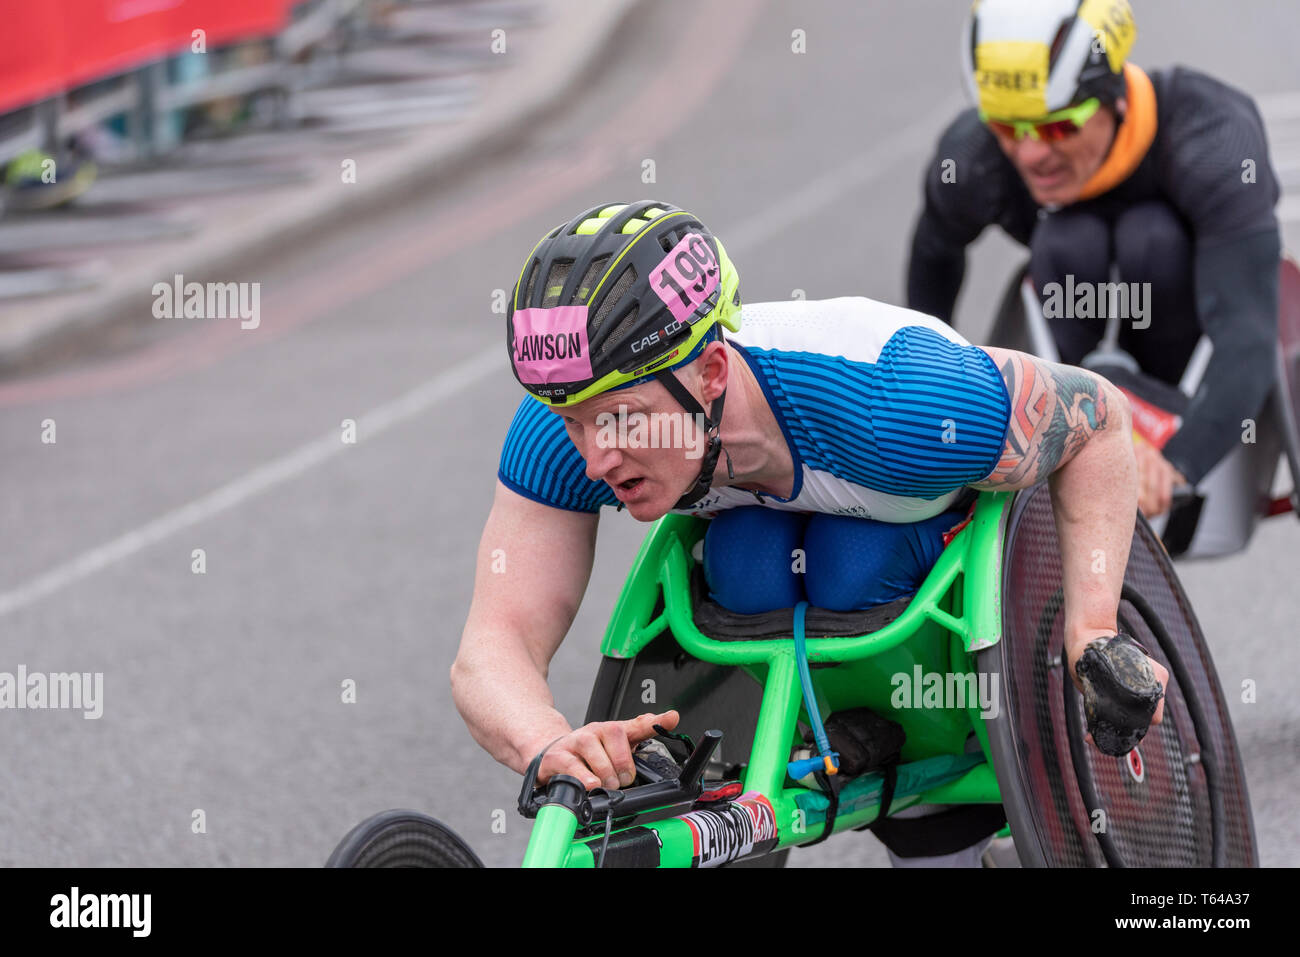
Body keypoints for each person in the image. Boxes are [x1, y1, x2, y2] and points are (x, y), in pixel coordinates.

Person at [451, 200, 1167, 866]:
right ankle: (825, 734)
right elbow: (492, 646)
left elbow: (1100, 420)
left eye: (624, 418)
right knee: (744, 563)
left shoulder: (900, 397)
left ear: (710, 371)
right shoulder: (563, 428)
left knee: (845, 561)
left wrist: (1094, 628)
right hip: (778, 565)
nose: (595, 456)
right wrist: (551, 744)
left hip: (929, 552)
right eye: (575, 420)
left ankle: (931, 752)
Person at [907, 0, 1281, 519]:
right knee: (1068, 241)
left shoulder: (1212, 137)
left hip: (1181, 347)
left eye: (1058, 127)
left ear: (1117, 99)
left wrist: (1174, 466)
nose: (1031, 154)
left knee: (1150, 238)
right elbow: (933, 257)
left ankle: (1146, 427)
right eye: (1008, 128)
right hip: (1065, 326)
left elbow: (1249, 332)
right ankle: (1058, 427)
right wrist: (940, 404)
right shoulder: (973, 156)